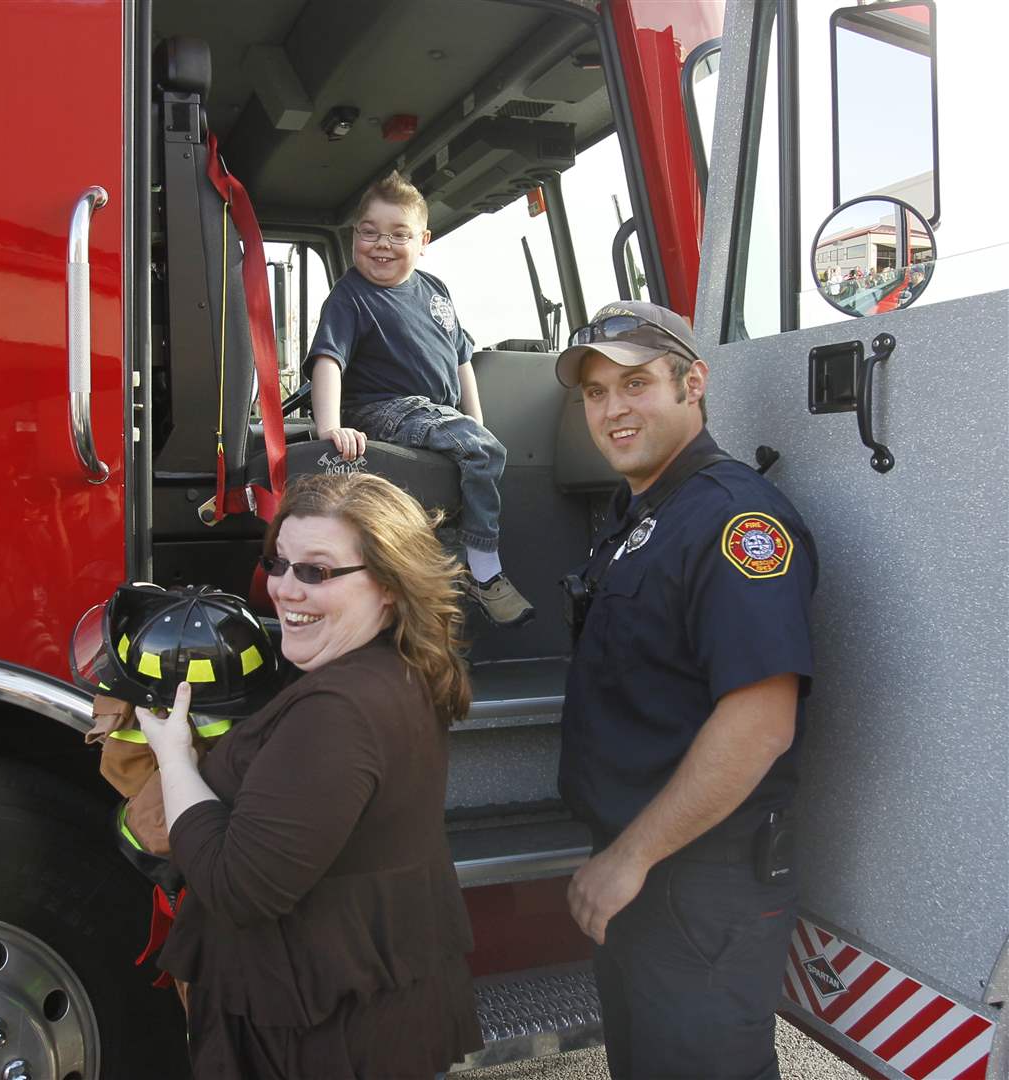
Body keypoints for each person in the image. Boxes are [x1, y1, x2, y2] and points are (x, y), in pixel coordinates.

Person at [136, 473, 484, 1080]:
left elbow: (239, 887)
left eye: (317, 572)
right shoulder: (393, 668)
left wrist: (172, 758)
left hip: (316, 1038)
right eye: (279, 563)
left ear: (391, 586)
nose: (284, 590)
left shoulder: (339, 711)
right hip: (355, 1011)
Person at [553, 301, 817, 1080]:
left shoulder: (736, 522)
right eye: (596, 393)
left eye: (634, 384)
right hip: (647, 873)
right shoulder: (640, 513)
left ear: (693, 383)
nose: (612, 410)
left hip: (702, 883)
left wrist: (631, 856)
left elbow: (760, 723)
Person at [303, 170, 533, 628]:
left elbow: (461, 360)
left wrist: (476, 423)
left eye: (398, 235)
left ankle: (450, 569)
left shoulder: (436, 291)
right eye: (369, 233)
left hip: (435, 414)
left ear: (423, 240)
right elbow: (327, 361)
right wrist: (330, 427)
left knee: (477, 451)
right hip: (382, 409)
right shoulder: (351, 296)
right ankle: (486, 569)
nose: (381, 244)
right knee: (482, 449)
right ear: (355, 236)